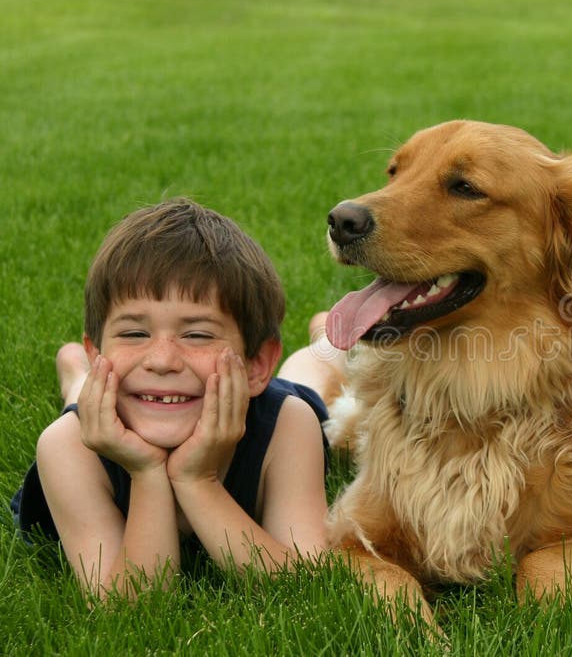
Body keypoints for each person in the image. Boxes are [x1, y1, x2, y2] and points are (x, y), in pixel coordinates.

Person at [10, 198, 339, 599]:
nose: (162, 360)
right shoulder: (66, 447)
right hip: (126, 399)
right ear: (98, 352)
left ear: (256, 365)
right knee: (89, 398)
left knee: (307, 376)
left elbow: (303, 583)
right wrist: (146, 473)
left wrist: (198, 480)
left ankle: (325, 342)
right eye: (134, 333)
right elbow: (130, 605)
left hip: (243, 396)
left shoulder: (287, 424)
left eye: (197, 335)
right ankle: (77, 374)